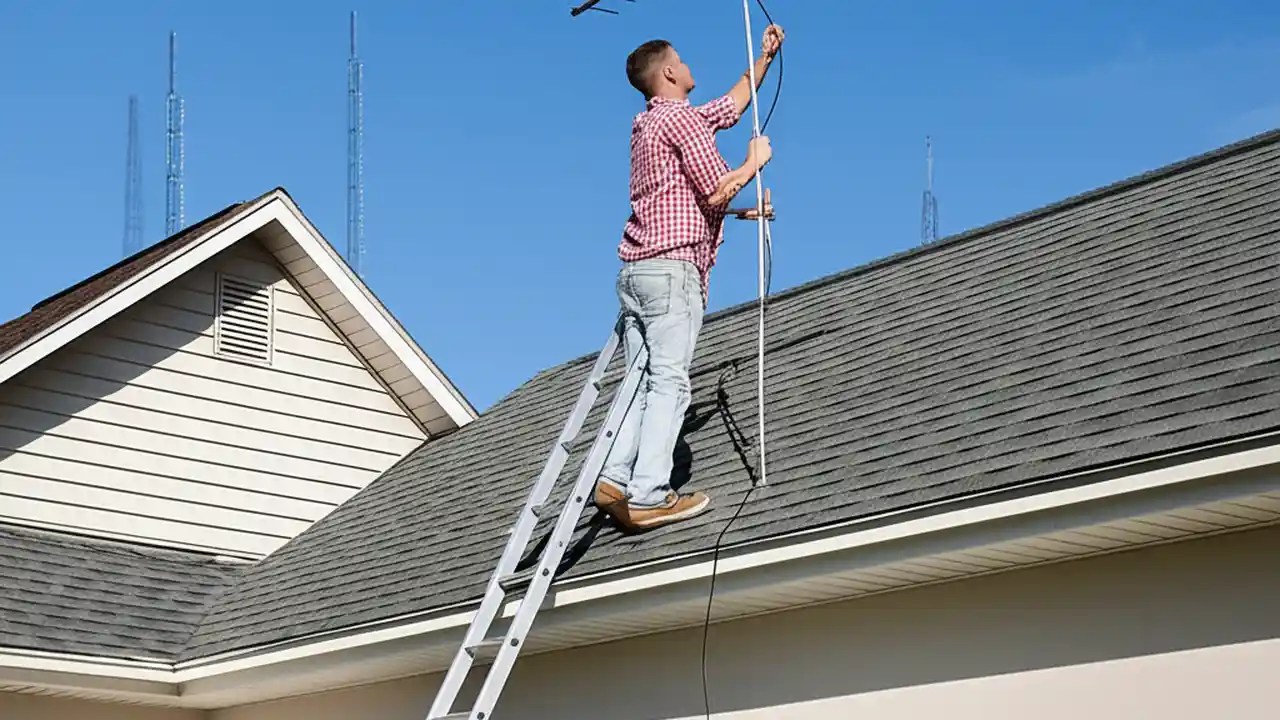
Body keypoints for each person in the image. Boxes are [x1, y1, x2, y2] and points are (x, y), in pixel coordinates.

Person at [594, 25, 784, 532]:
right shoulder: (681, 121)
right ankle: (650, 492)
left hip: (636, 273)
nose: (688, 63)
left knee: (640, 382)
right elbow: (715, 190)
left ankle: (612, 475)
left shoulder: (652, 125)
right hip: (674, 271)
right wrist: (752, 163)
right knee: (672, 384)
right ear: (671, 72)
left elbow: (730, 106)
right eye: (681, 58)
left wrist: (762, 59)